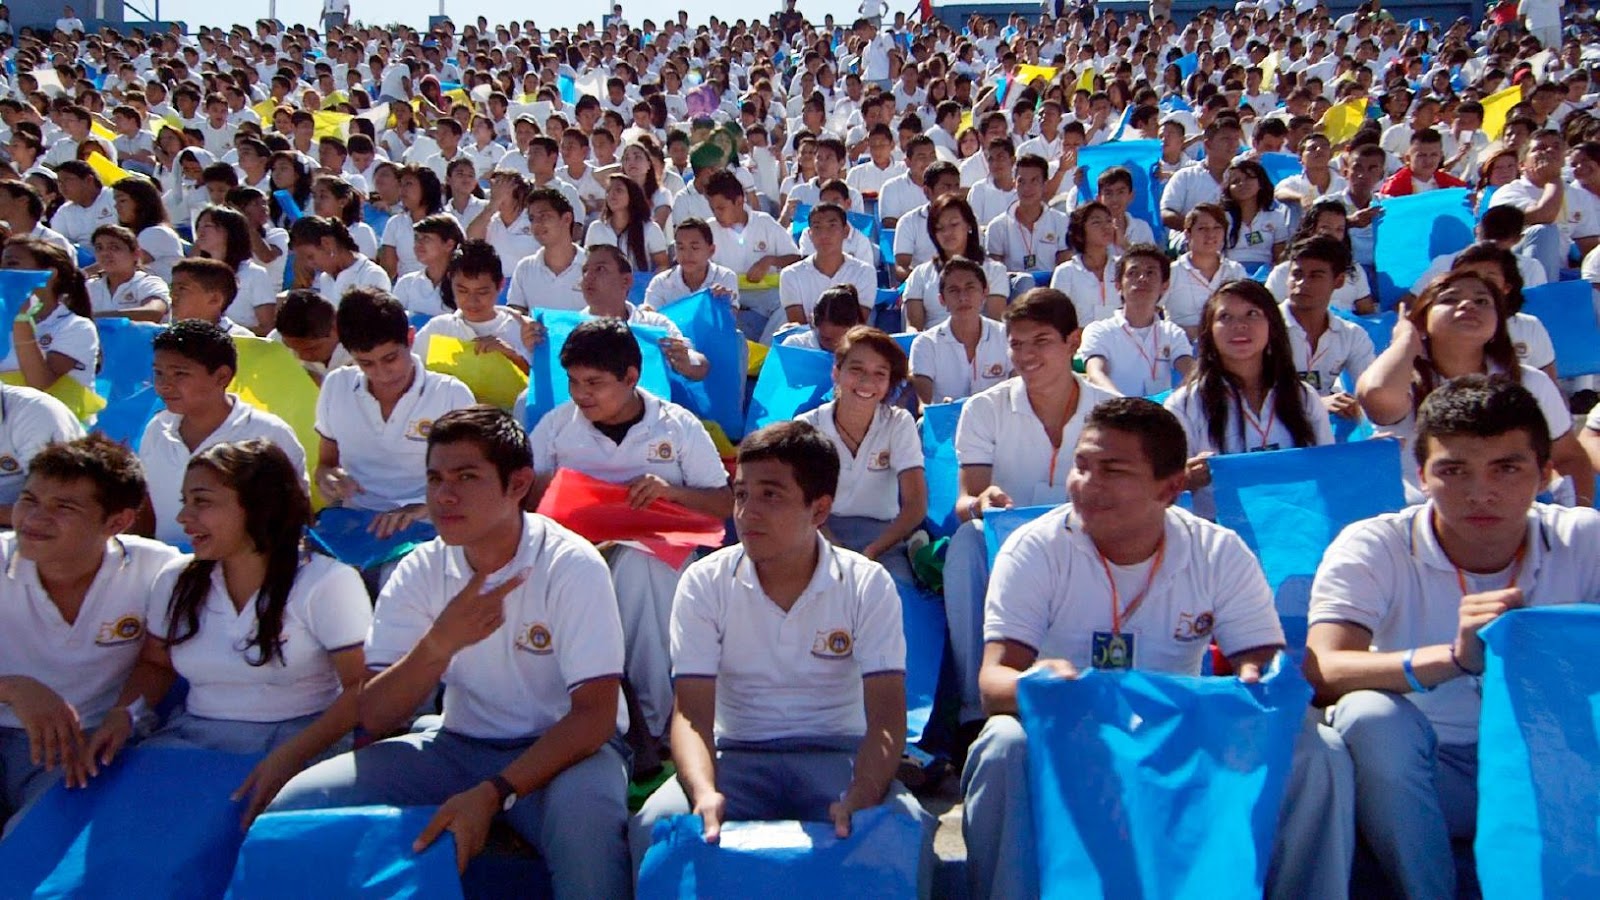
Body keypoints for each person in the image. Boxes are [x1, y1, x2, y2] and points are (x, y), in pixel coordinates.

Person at [962, 397, 1354, 900]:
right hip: (1074, 727)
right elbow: (994, 682)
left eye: (1113, 470)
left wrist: (1259, 678)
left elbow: (1264, 663)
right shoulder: (1035, 547)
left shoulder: (1217, 551)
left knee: (1316, 749)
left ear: (1170, 489)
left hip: (1183, 733)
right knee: (1001, 745)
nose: (1088, 484)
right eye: (1081, 466)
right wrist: (1043, 683)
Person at [267, 406, 633, 894]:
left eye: (466, 477)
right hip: (457, 743)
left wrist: (493, 794)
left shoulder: (571, 565)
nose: (445, 495)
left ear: (518, 484)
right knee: (297, 807)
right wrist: (440, 643)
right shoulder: (420, 567)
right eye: (435, 477)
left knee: (590, 856)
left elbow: (594, 717)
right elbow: (374, 714)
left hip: (565, 753)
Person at [1306, 375, 1600, 899]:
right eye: (1453, 470)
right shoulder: (1376, 543)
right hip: (1428, 772)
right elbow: (1323, 669)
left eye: (1506, 468)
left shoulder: (1584, 536)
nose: (1479, 492)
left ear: (1545, 474)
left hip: (1553, 765)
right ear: (1421, 475)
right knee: (1366, 716)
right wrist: (1454, 659)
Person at [628, 419, 936, 890]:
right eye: (741, 494)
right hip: (737, 754)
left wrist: (863, 793)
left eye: (770, 495)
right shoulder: (705, 582)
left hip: (838, 753)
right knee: (655, 826)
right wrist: (704, 791)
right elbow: (691, 715)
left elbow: (888, 717)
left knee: (905, 829)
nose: (747, 512)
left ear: (820, 509)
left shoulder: (866, 584)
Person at [87, 439, 370, 826]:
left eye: (201, 502)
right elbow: (156, 664)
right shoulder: (175, 580)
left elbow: (361, 688)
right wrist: (124, 714)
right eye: (184, 501)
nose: (184, 516)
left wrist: (291, 757)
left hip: (299, 744)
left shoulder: (326, 582)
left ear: (257, 505)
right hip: (191, 742)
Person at [529, 318, 731, 766]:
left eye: (595, 383)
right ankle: (598, 724)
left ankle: (656, 727)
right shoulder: (557, 426)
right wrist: (550, 489)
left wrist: (670, 492)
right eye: (574, 382)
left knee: (644, 576)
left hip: (661, 550)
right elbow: (523, 496)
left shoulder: (676, 425)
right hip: (577, 550)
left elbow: (723, 502)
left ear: (631, 377)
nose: (582, 394)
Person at [944, 288, 1122, 731]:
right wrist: (981, 503)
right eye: (1016, 343)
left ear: (1073, 342)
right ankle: (974, 707)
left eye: (1040, 341)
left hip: (1089, 538)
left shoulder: (1109, 413)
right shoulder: (985, 408)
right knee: (966, 543)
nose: (1025, 354)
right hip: (1010, 541)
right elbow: (966, 500)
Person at [0, 436, 178, 829]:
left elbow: (157, 662)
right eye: (28, 500)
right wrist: (13, 688)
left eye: (63, 507)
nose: (33, 519)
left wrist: (124, 715)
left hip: (81, 748)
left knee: (37, 847)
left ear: (117, 522)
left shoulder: (158, 570)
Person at [1357, 269, 1591, 505]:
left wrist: (1576, 519)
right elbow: (1375, 396)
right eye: (1450, 299)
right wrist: (1405, 339)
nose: (1468, 304)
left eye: (1482, 301)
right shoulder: (1404, 379)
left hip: (1509, 520)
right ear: (1423, 322)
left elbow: (1569, 457)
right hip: (1420, 518)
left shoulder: (1529, 382)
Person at [315, 288, 476, 542]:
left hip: (428, 524)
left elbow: (473, 477)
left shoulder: (451, 395)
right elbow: (325, 461)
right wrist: (328, 478)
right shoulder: (336, 385)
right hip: (354, 521)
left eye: (390, 358)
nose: (381, 373)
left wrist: (424, 508)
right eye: (366, 363)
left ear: (411, 338)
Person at [138, 320, 306, 545]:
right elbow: (147, 511)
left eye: (179, 374)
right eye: (158, 373)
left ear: (222, 377)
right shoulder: (156, 430)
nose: (164, 385)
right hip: (173, 574)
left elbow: (294, 517)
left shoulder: (269, 434)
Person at [1165, 279, 1333, 487]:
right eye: (1225, 317)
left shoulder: (1303, 397)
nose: (1240, 325)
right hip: (1218, 519)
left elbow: (1328, 470)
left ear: (1272, 326)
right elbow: (1162, 488)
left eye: (1252, 314)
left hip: (1300, 516)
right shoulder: (1184, 404)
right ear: (1209, 332)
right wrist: (1186, 479)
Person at [796, 326, 926, 581]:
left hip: (883, 540)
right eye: (857, 370)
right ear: (836, 372)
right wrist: (837, 552)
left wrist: (872, 551)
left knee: (896, 599)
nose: (867, 382)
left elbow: (915, 505)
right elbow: (801, 504)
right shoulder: (808, 426)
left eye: (880, 373)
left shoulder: (898, 423)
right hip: (819, 533)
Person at [1275, 236, 1377, 421]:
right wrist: (1316, 403)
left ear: (1338, 281)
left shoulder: (1352, 335)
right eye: (1297, 274)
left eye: (1315, 275)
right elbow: (1252, 395)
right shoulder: (1264, 328)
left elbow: (1371, 393)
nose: (1302, 283)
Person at [571, 245, 709, 381]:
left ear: (626, 281)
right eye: (585, 271)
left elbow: (701, 365)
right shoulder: (570, 331)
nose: (588, 277)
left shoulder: (654, 325)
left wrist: (687, 363)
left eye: (600, 269)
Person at [1078, 244, 1195, 397]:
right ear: (1118, 285)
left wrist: (1176, 402)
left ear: (1164, 286)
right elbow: (1096, 374)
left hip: (1161, 415)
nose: (1142, 278)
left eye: (1150, 272)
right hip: (1118, 414)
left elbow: (1191, 372)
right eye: (1133, 273)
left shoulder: (1172, 332)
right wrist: (1125, 405)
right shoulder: (1099, 331)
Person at [415, 241, 531, 374]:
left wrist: (511, 355)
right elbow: (412, 372)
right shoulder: (439, 328)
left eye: (482, 292)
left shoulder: (522, 330)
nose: (472, 301)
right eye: (462, 291)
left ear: (500, 285)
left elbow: (543, 384)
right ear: (450, 281)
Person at [1, 237, 100, 392]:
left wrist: (21, 319)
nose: (3, 272)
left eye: (12, 263)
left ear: (49, 274)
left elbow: (39, 384)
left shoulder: (78, 327)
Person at [909, 259, 1011, 404]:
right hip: (947, 422)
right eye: (953, 290)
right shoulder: (925, 343)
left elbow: (1018, 391)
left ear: (985, 292)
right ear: (942, 300)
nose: (963, 297)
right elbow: (925, 406)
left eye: (970, 288)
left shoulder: (1006, 336)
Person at [902, 194, 1011, 329]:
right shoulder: (920, 274)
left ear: (969, 225)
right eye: (940, 228)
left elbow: (996, 323)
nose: (947, 232)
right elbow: (913, 328)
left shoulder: (994, 271)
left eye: (954, 224)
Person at [1485, 130, 1572, 283]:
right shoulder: (1508, 192)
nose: (1550, 151)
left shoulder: (1577, 192)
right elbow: (1545, 216)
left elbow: (1589, 244)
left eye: (1556, 146)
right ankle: (1542, 298)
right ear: (1522, 165)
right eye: (1541, 148)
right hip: (1517, 272)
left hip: (1561, 271)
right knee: (1543, 231)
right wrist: (1553, 178)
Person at [1265, 200, 1377, 314]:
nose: (1332, 234)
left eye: (1339, 229)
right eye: (1325, 227)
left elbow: (1367, 312)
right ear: (1310, 230)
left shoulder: (1354, 270)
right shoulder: (1283, 271)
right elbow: (1269, 315)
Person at [779, 203, 877, 332]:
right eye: (817, 227)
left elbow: (857, 324)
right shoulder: (790, 274)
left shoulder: (864, 272)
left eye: (832, 226)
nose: (824, 234)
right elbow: (799, 328)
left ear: (845, 231)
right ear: (810, 234)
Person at [1163, 203, 1248, 338]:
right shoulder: (1171, 273)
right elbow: (1151, 313)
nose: (1211, 234)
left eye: (1217, 228)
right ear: (1188, 234)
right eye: (1203, 228)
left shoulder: (1235, 271)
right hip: (1181, 346)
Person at [194, 205, 277, 335]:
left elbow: (267, 327)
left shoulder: (254, 274)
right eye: (198, 226)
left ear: (230, 231)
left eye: (207, 226)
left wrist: (224, 334)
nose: (200, 232)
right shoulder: (196, 275)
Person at [506, 187, 588, 313]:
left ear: (566, 219)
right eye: (532, 218)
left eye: (544, 216)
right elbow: (516, 317)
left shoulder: (592, 266)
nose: (537, 224)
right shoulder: (525, 268)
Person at [289, 216, 393, 309]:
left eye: (310, 257)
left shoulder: (373, 275)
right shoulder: (325, 279)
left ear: (326, 244)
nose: (310, 264)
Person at [641, 217, 740, 310]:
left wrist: (723, 302)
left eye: (695, 248)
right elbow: (649, 319)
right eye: (681, 248)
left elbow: (731, 318)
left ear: (711, 250)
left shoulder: (725, 277)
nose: (687, 255)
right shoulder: (660, 282)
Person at [1049, 201, 1122, 326]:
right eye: (1096, 222)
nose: (1106, 227)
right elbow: (1057, 318)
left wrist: (1124, 244)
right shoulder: (1065, 272)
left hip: (1120, 340)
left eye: (1109, 221)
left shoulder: (1123, 267)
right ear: (1079, 234)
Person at [84, 225, 170, 322]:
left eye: (114, 247)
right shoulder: (89, 287)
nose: (105, 253)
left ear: (136, 254)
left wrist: (96, 317)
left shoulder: (149, 283)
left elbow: (154, 312)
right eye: (99, 248)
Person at [585, 175, 669, 274]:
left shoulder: (650, 229)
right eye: (608, 191)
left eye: (618, 190)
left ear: (632, 195)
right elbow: (587, 263)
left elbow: (663, 265)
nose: (612, 194)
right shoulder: (596, 228)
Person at [391, 214, 464, 319]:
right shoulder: (406, 283)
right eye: (416, 238)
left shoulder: (465, 287)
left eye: (426, 238)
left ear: (449, 245)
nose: (418, 244)